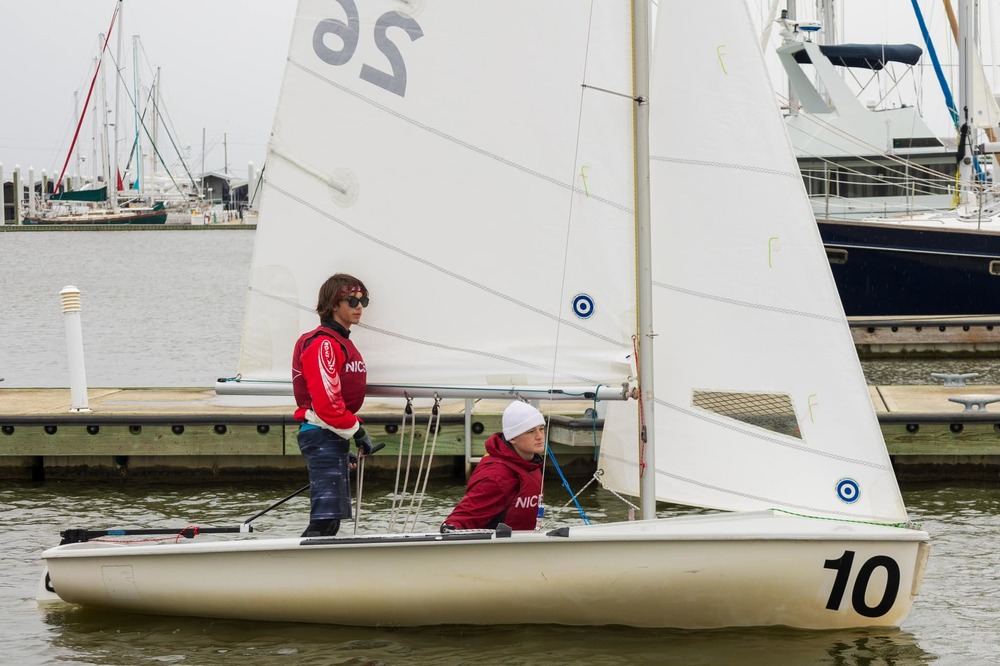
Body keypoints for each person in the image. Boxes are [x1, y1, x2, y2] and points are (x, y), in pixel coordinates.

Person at [292, 273, 375, 537]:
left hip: (331, 435)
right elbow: (327, 405)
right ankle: (297, 570)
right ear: (333, 305)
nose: (359, 306)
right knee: (325, 521)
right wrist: (357, 432)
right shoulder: (323, 343)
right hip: (321, 432)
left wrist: (345, 441)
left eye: (363, 300)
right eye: (351, 300)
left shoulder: (340, 342)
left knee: (332, 521)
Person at [441, 400, 545, 532]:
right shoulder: (497, 476)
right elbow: (460, 520)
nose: (540, 436)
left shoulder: (532, 463)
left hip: (524, 545)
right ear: (512, 438)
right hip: (501, 549)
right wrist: (451, 528)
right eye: (531, 432)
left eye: (541, 429)